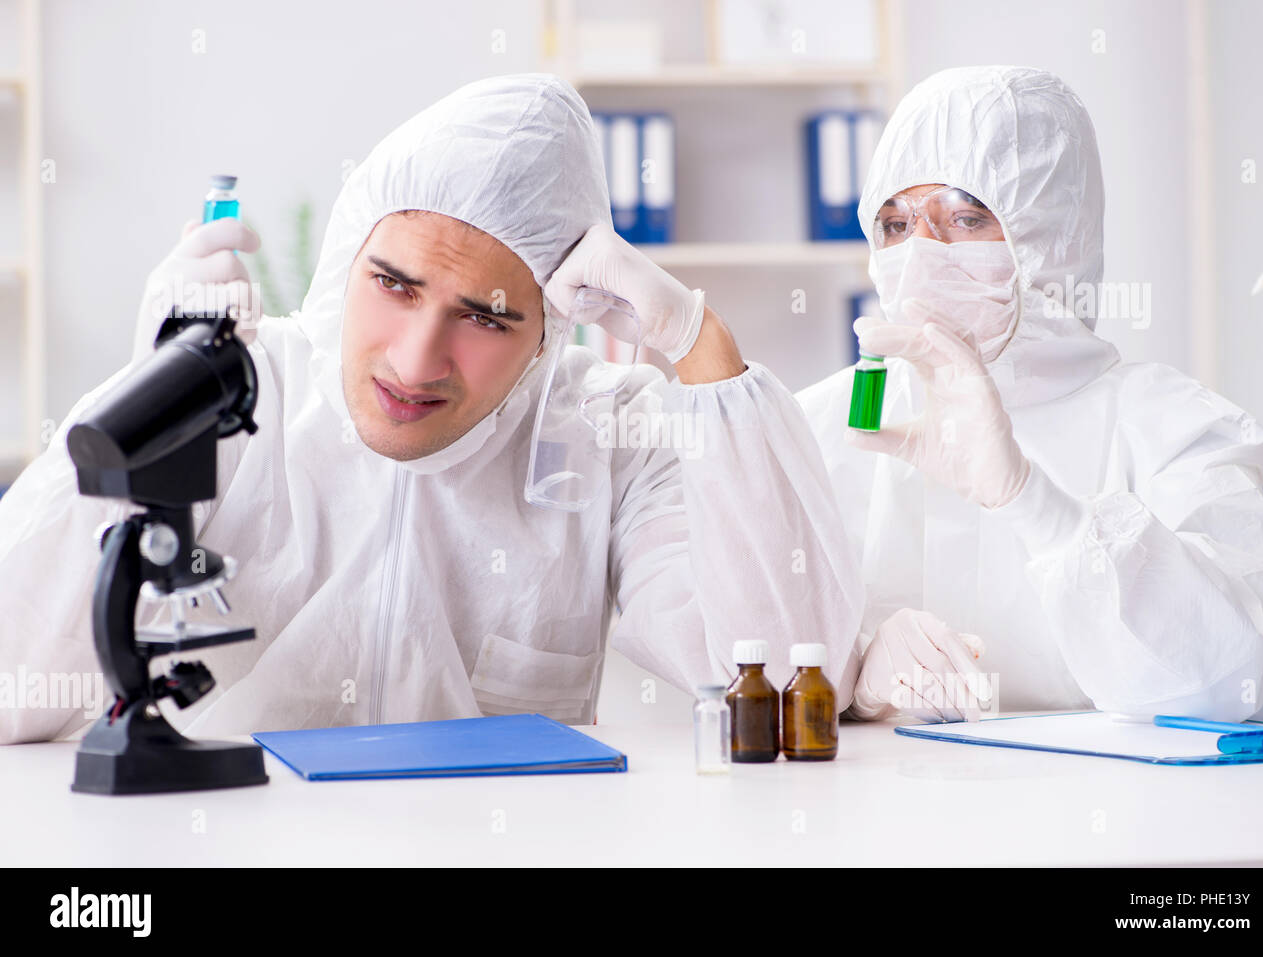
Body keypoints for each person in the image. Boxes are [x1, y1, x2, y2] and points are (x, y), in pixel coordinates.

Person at [0, 74, 861, 743]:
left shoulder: (607, 437)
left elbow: (787, 682)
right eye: (394, 284)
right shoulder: (245, 397)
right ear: (348, 260)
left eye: (485, 316)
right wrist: (154, 401)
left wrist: (703, 349)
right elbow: (11, 685)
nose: (415, 360)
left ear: (550, 330)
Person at [797, 65, 1263, 724]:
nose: (919, 258)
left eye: (966, 218)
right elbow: (732, 668)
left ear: (1052, 234)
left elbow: (1228, 673)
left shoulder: (1170, 424)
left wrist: (1034, 502)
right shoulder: (825, 423)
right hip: (881, 812)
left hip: (1126, 818)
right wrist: (853, 674)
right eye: (896, 225)